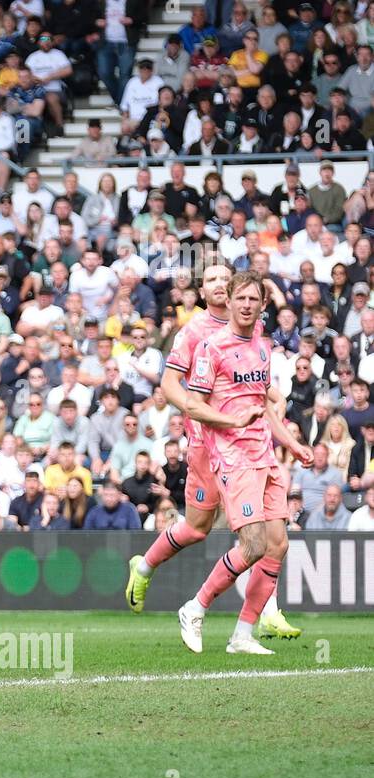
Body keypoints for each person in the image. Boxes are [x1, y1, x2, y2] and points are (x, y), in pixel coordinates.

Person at [125, 263, 303, 639]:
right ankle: (144, 567)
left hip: (247, 447)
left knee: (269, 536)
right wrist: (203, 412)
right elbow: (172, 386)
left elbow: (256, 383)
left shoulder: (252, 329)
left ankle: (263, 614)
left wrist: (274, 407)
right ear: (204, 292)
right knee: (197, 528)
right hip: (207, 444)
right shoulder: (194, 333)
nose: (221, 285)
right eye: (213, 280)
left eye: (227, 278)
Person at [178, 271, 313, 656]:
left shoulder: (263, 348)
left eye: (254, 299)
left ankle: (242, 634)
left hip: (265, 456)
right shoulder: (212, 347)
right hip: (233, 459)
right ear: (229, 300)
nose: (247, 305)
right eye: (241, 298)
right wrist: (231, 422)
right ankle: (195, 607)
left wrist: (292, 442)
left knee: (277, 545)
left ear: (263, 305)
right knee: (252, 544)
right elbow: (193, 405)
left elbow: (264, 408)